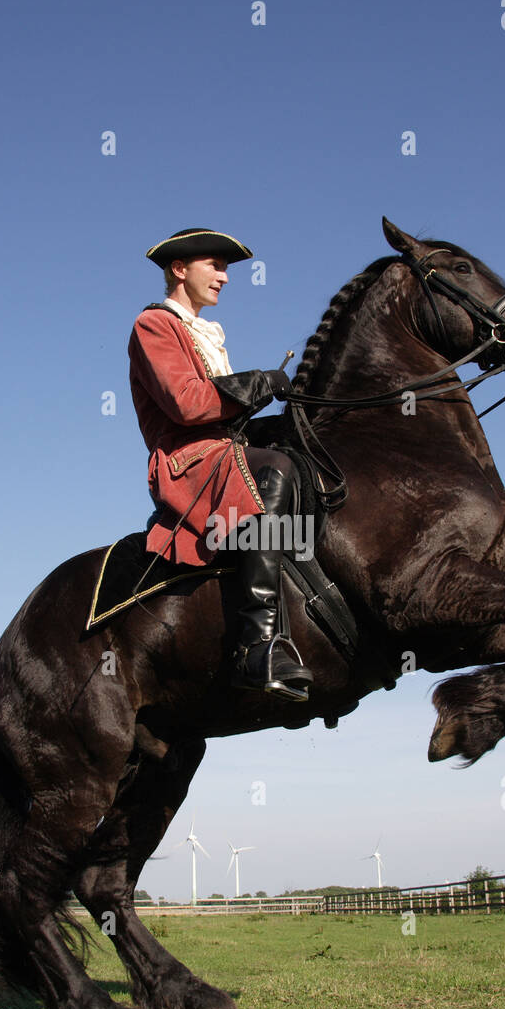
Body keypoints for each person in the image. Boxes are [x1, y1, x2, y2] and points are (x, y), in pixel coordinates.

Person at [128, 227, 313, 702]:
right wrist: (259, 382)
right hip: (189, 462)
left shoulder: (205, 331)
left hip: (222, 449)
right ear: (179, 269)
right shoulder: (155, 325)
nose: (225, 278)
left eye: (225, 268)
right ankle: (258, 643)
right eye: (215, 265)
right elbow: (188, 404)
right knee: (275, 469)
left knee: (301, 452)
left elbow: (223, 412)